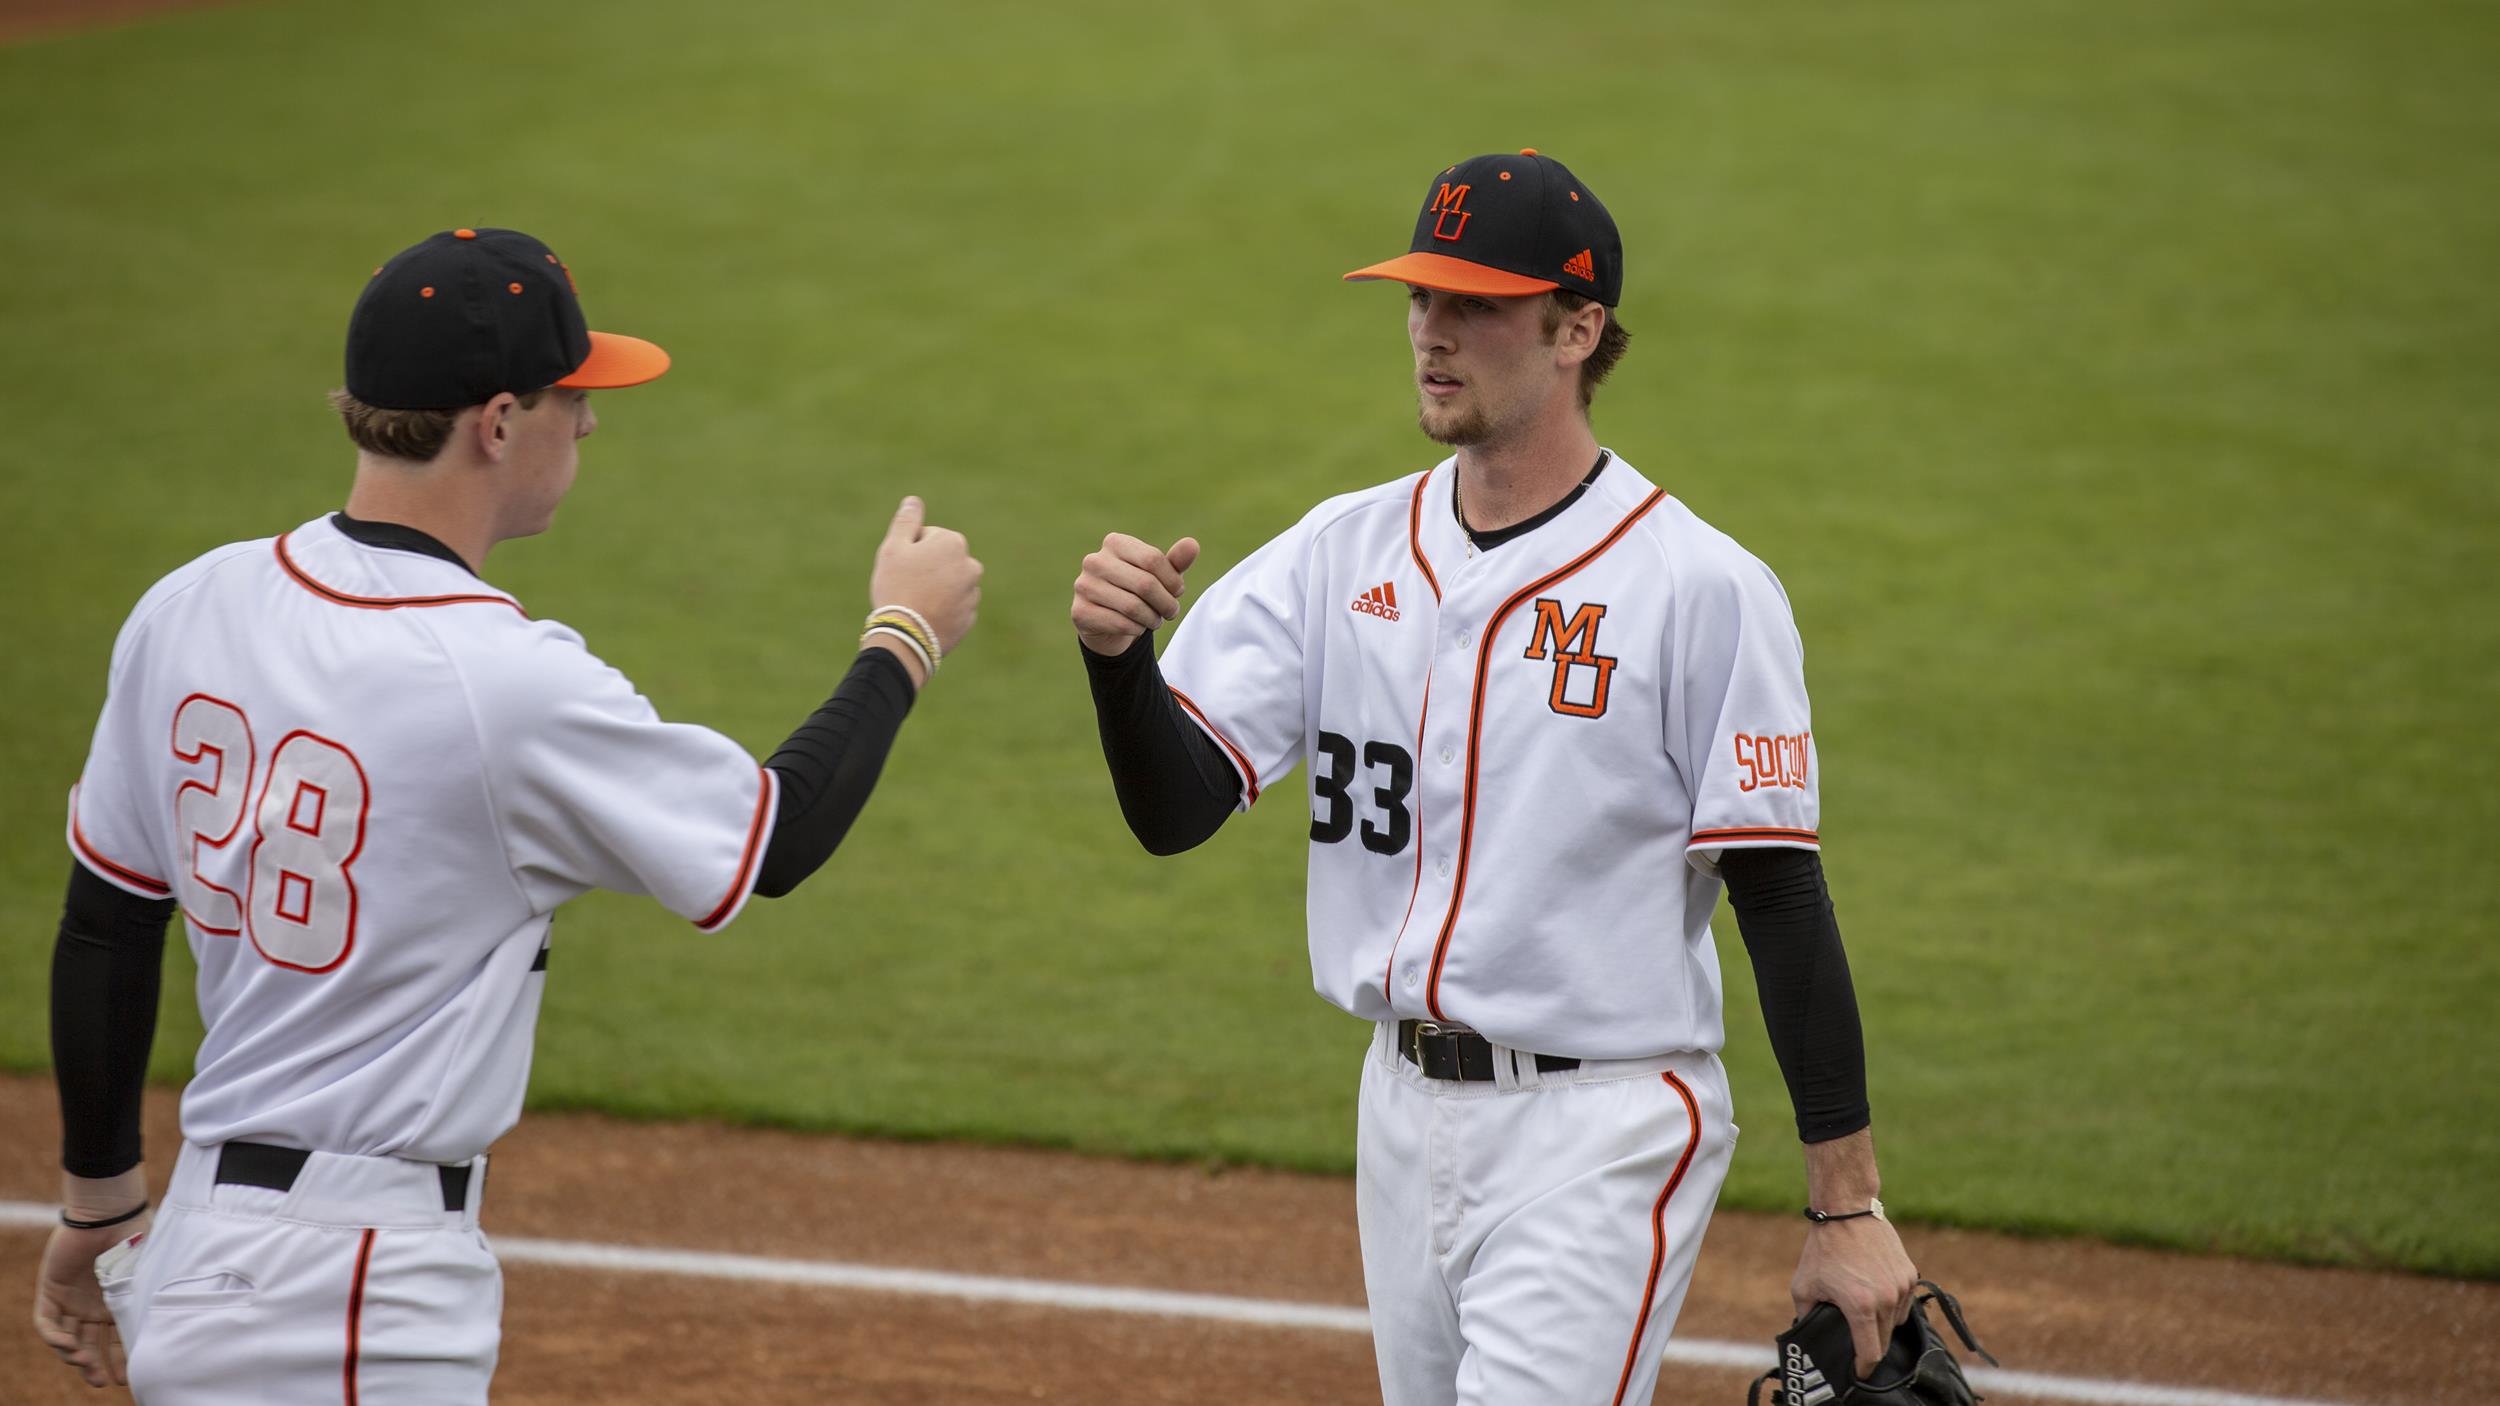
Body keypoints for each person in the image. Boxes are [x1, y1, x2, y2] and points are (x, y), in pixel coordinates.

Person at [33, 226, 981, 1401]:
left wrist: (97, 1204)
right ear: (494, 422)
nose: (587, 425)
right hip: (347, 1292)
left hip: (198, 1245)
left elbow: (109, 918)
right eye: (569, 397)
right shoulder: (502, 679)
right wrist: (904, 634)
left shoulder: (191, 604)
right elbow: (771, 837)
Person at [1071, 151, 1916, 1404]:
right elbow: (1174, 808)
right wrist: (1118, 664)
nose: (1433, 331)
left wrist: (1846, 1205)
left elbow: (1780, 896)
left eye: (1476, 304)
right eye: (1421, 297)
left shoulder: (1697, 588)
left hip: (1600, 1129)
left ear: (1577, 329)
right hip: (1397, 1112)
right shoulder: (1337, 551)